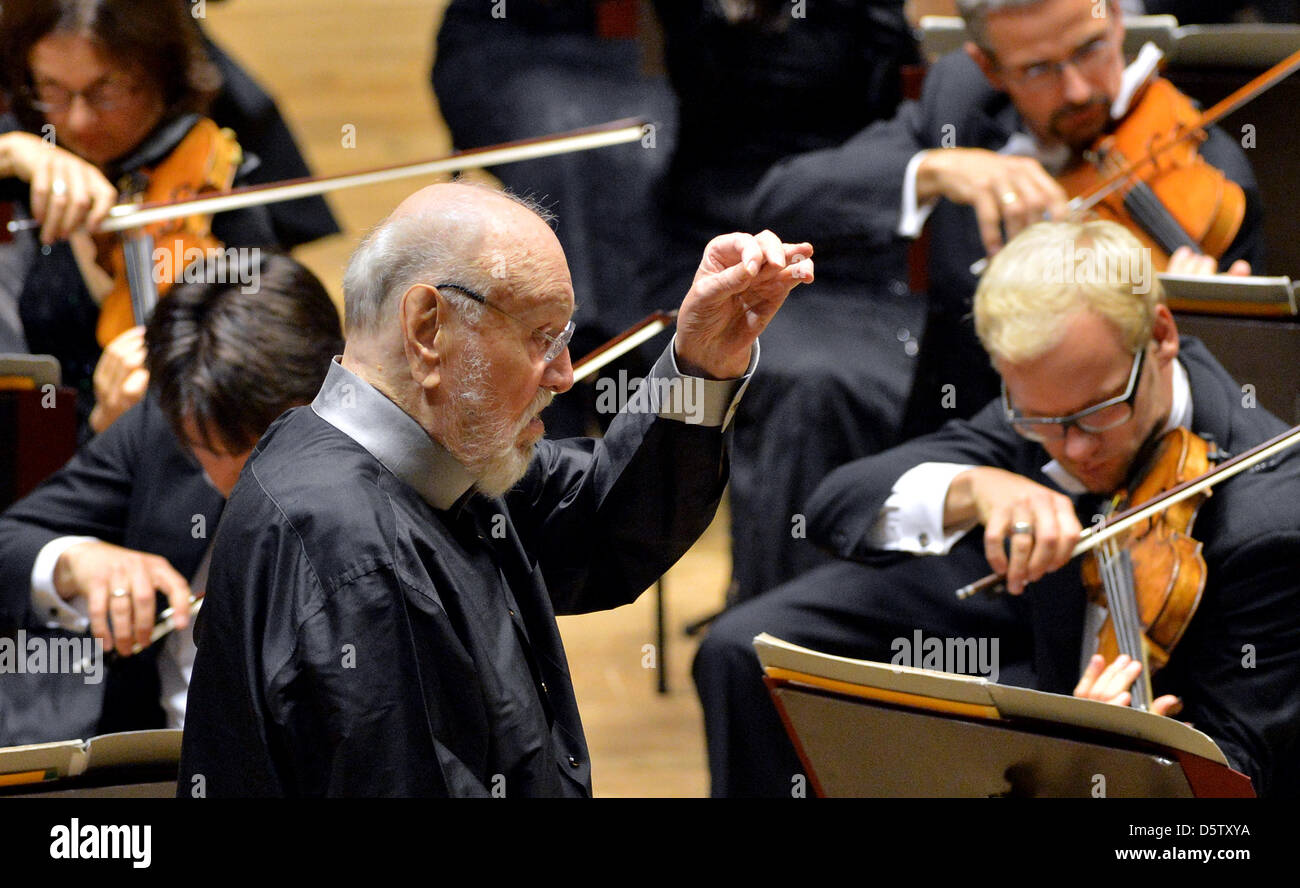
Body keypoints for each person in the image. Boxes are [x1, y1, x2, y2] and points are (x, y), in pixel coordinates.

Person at [177, 182, 813, 797]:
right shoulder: (358, 555)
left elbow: (603, 522)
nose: (565, 377)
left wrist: (700, 361)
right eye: (542, 339)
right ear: (428, 329)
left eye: (564, 342)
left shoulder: (447, 455)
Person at [694, 220, 1300, 797]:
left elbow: (1238, 781)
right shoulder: (1055, 399)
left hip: (1131, 762)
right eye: (1043, 422)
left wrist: (1106, 756)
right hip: (1038, 640)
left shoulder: (1268, 526)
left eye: (1097, 414)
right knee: (742, 649)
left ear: (1162, 337)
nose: (1074, 448)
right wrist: (980, 489)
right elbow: (835, 505)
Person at [734, 0, 1263, 597]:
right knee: (745, 642)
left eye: (1091, 48)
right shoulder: (962, 100)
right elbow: (781, 203)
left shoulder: (1207, 177)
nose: (1079, 88)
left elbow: (1238, 401)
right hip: (962, 457)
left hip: (1112, 516)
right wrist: (934, 168)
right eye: (1039, 69)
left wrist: (1202, 310)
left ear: (1116, 19)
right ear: (990, 67)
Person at [0, 252, 342, 745]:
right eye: (203, 448)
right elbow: (12, 541)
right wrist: (76, 561)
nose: (228, 479)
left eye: (251, 447)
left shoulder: (379, 459)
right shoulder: (170, 410)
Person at [0, 0, 290, 436]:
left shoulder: (218, 195)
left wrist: (109, 429)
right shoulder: (34, 168)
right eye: (52, 90)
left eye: (107, 90)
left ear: (161, 73)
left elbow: (264, 405)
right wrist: (17, 151)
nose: (78, 119)